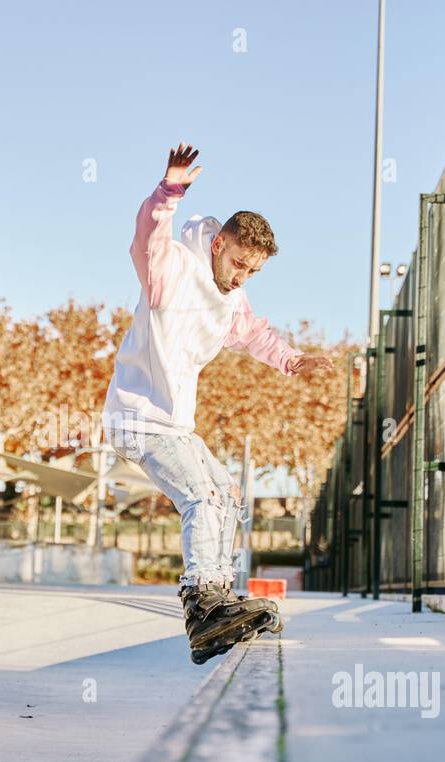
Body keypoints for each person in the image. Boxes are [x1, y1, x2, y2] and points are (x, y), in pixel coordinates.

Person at [102, 142, 334, 664]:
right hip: (138, 417)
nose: (240, 277)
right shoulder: (171, 270)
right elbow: (147, 235)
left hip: (174, 425)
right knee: (201, 498)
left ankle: (221, 599)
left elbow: (253, 333)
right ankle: (202, 607)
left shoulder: (231, 298)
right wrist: (170, 189)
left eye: (252, 272)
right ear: (217, 244)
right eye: (237, 263)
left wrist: (292, 361)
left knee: (227, 495)